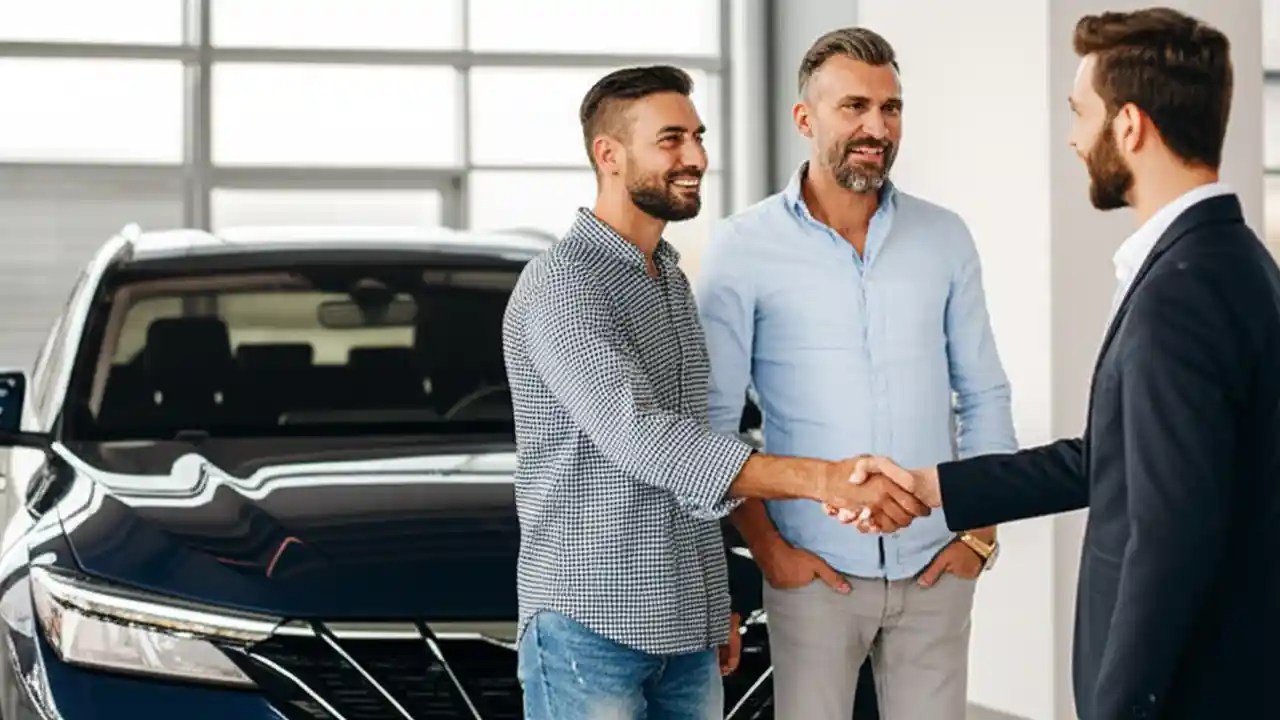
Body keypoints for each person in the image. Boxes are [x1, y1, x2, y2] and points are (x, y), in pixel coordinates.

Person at [842, 9, 1280, 720]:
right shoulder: (1225, 262)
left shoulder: (1185, 291)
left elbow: (1171, 539)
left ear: (1130, 126)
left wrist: (1120, 707)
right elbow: (1110, 459)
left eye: (1081, 113)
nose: (1074, 138)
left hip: (1184, 693)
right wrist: (932, 486)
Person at [501, 65, 929, 720]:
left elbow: (701, 442)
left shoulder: (669, 281)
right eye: (671, 140)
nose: (697, 157)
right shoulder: (563, 285)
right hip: (590, 629)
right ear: (608, 155)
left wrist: (710, 602)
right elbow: (641, 436)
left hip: (686, 634)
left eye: (698, 137)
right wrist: (823, 480)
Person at [696, 28, 1017, 720]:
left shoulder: (946, 236)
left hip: (938, 566)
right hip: (812, 571)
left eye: (891, 108)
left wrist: (980, 535)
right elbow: (713, 428)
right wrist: (770, 551)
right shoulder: (741, 246)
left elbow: (984, 392)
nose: (877, 127)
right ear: (805, 119)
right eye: (855, 107)